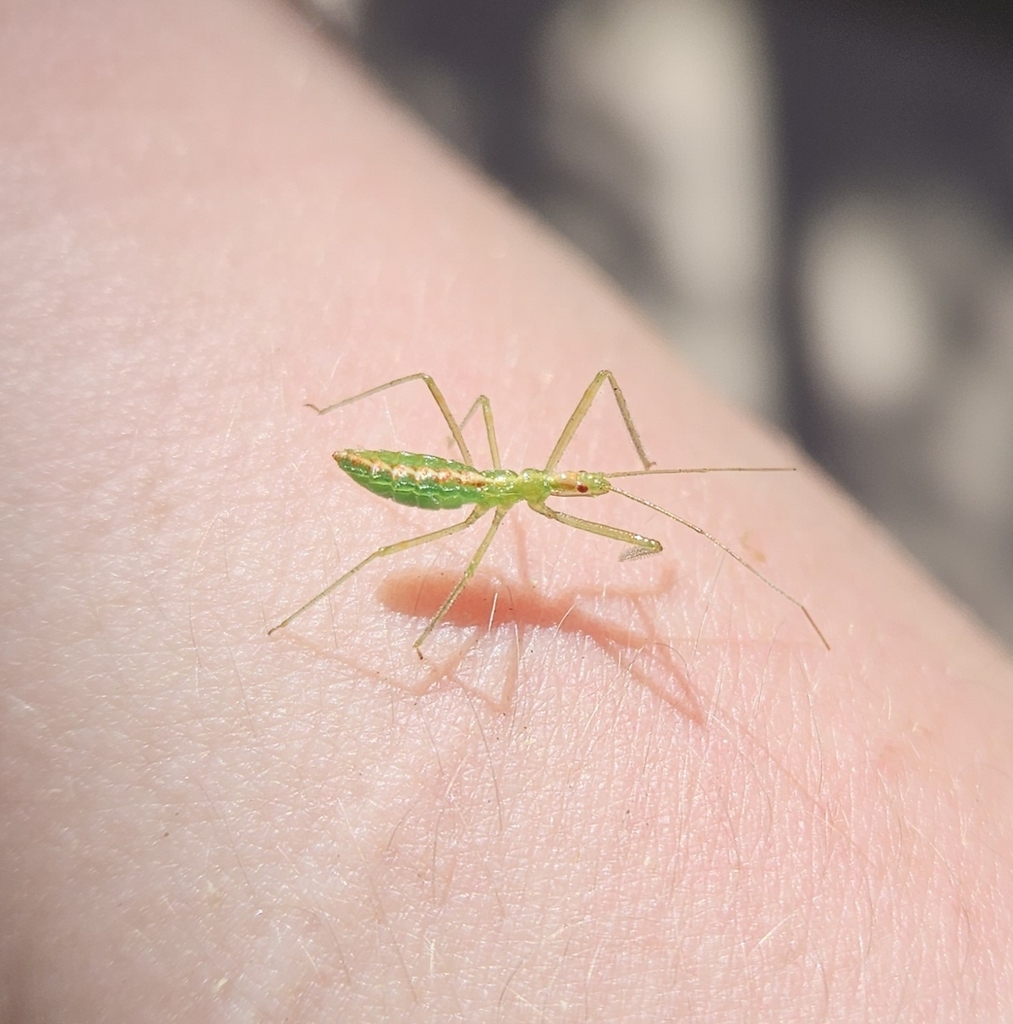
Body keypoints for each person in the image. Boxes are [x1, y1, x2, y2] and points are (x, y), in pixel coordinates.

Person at [2, 0, 1011, 1018]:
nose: (581, 487)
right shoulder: (494, 512)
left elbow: (616, 519)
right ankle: (305, 611)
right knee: (402, 547)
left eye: (579, 486)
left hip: (467, 490)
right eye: (578, 485)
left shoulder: (549, 501)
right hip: (428, 482)